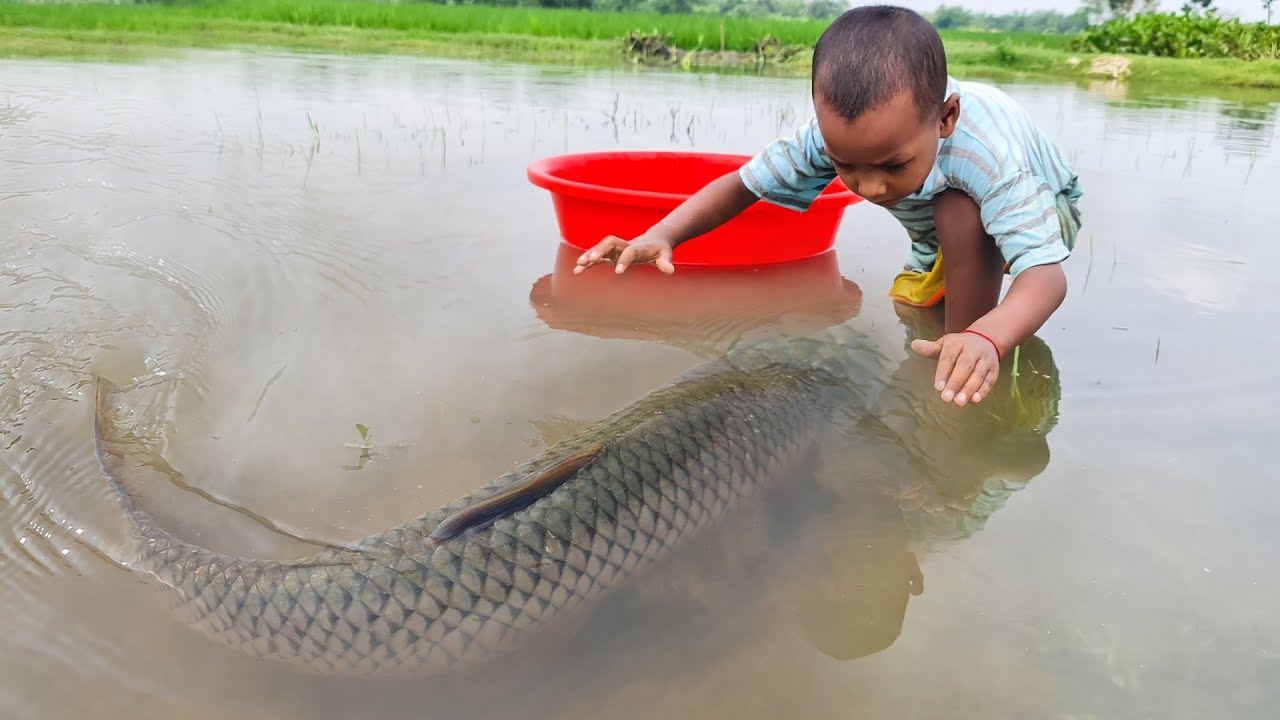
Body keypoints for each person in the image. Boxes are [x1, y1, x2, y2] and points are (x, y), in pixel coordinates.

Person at [572, 5, 1083, 408]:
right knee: (918, 306)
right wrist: (662, 234)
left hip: (1043, 208)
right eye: (847, 166)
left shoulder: (986, 155)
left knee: (959, 217)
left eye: (890, 165)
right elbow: (743, 185)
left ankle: (956, 383)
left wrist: (987, 338)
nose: (869, 187)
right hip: (934, 219)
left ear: (945, 118)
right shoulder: (834, 137)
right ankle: (952, 330)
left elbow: (1046, 274)